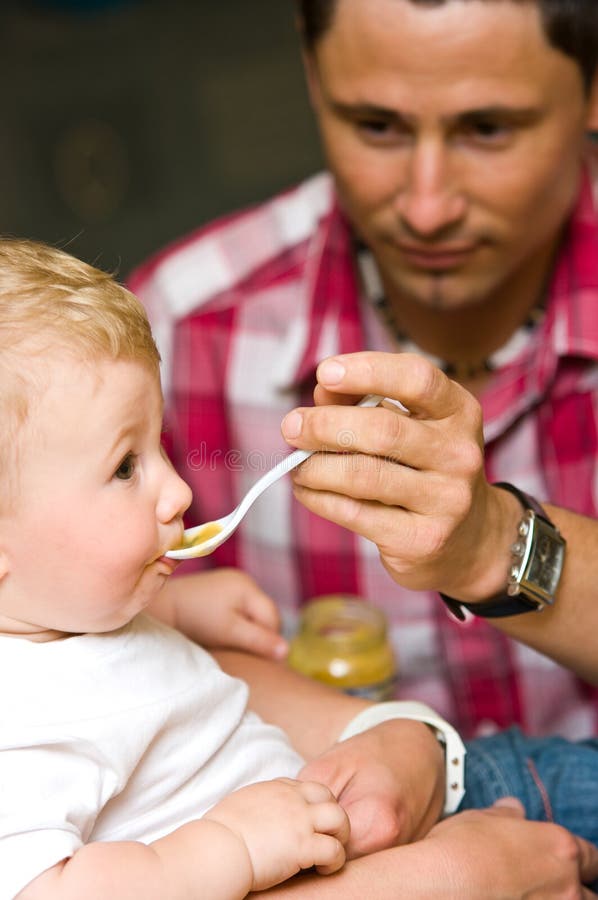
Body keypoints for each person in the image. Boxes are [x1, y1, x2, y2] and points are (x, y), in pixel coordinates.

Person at [2, 237, 598, 900]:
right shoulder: (17, 730)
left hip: (400, 796)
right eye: (123, 468)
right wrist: (230, 845)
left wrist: (180, 610)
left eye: (157, 447)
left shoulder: (50, 610)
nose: (178, 492)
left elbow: (86, 656)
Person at [128, 0, 598, 741]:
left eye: (488, 129)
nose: (427, 205)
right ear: (313, 77)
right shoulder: (172, 333)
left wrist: (490, 545)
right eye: (376, 126)